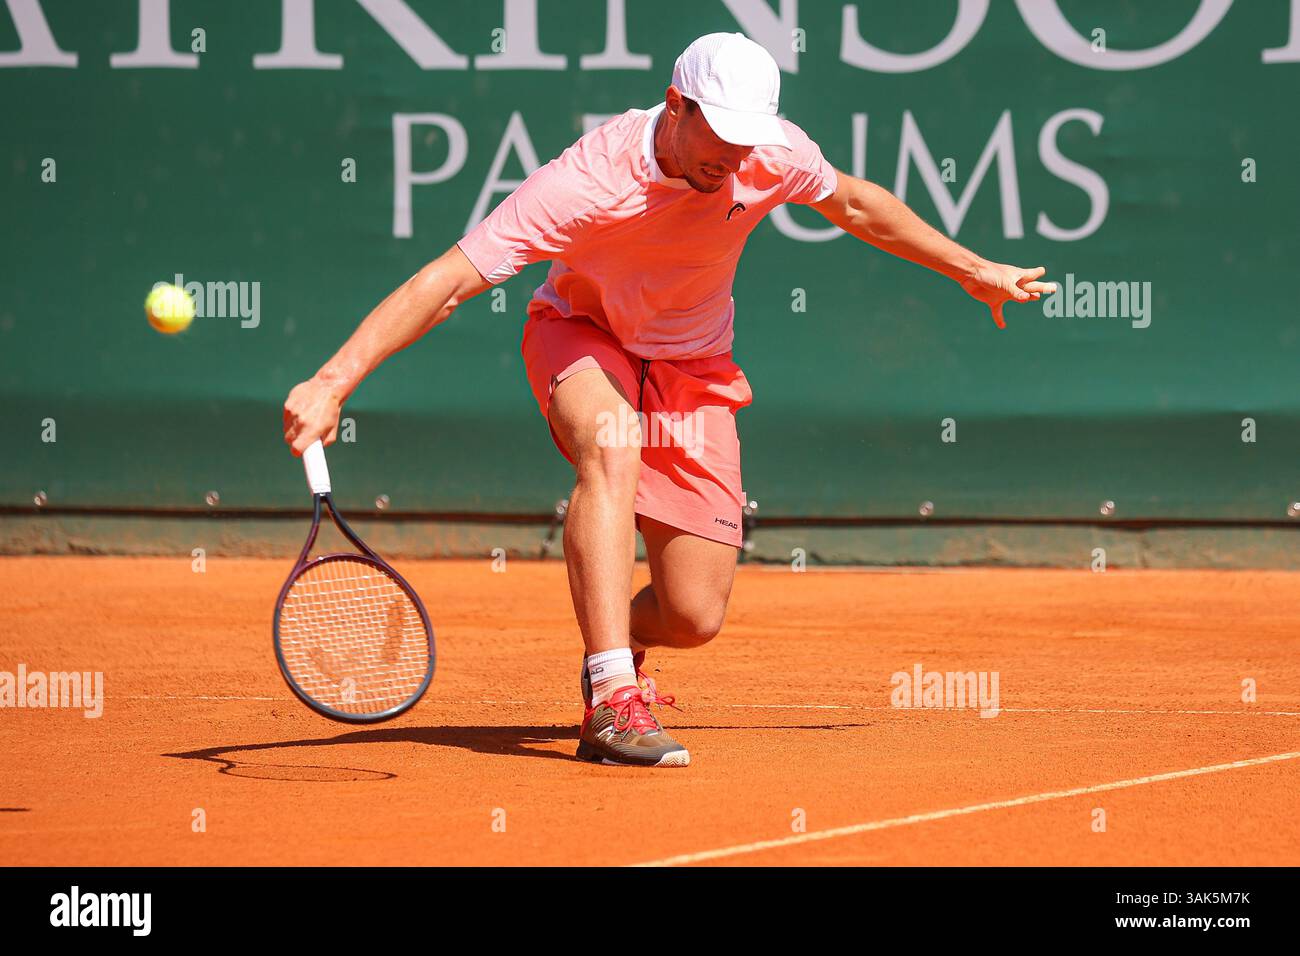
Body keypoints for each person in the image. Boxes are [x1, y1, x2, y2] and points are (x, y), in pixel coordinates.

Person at [282, 32, 1056, 768]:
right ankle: (614, 694)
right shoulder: (588, 180)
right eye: (718, 132)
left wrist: (970, 268)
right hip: (583, 336)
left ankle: (621, 644)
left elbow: (854, 205)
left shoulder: (769, 153)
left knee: (694, 616)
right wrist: (332, 380)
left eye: (747, 135)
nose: (732, 155)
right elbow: (448, 281)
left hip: (693, 365)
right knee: (611, 441)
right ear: (676, 105)